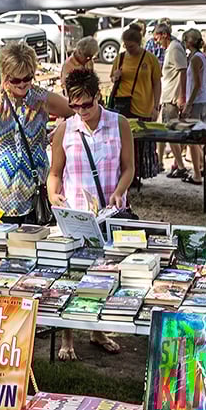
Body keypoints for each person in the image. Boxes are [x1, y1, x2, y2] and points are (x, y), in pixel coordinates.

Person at [47, 70, 134, 360]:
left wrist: (120, 191)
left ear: (99, 97)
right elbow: (55, 173)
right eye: (75, 106)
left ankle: (97, 330)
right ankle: (67, 337)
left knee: (105, 273)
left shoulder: (118, 123)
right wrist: (52, 194)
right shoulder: (65, 129)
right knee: (72, 274)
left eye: (87, 104)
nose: (81, 111)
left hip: (110, 214)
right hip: (76, 215)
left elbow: (129, 168)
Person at [0, 42, 73, 221]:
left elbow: (75, 112)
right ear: (4, 75)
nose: (22, 84)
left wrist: (61, 130)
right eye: (15, 80)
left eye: (28, 78)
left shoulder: (42, 98)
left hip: (33, 195)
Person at [153, 23, 188, 178]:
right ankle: (172, 164)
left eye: (157, 37)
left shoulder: (174, 48)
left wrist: (181, 96)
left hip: (171, 98)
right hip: (167, 97)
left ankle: (181, 166)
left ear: (164, 34)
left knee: (171, 133)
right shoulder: (170, 49)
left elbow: (182, 71)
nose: (156, 41)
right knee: (167, 132)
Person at [110, 24, 162, 121]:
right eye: (126, 46)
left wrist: (156, 107)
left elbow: (157, 83)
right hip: (122, 105)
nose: (128, 49)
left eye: (132, 46)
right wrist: (115, 77)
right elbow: (113, 79)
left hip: (143, 107)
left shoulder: (150, 59)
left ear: (139, 43)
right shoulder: (120, 58)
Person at [181, 28, 206, 185]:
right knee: (199, 135)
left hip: (198, 101)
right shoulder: (202, 57)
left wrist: (188, 104)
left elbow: (196, 85)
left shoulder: (195, 59)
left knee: (193, 138)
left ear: (190, 42)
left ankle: (197, 173)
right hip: (204, 100)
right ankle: (203, 166)